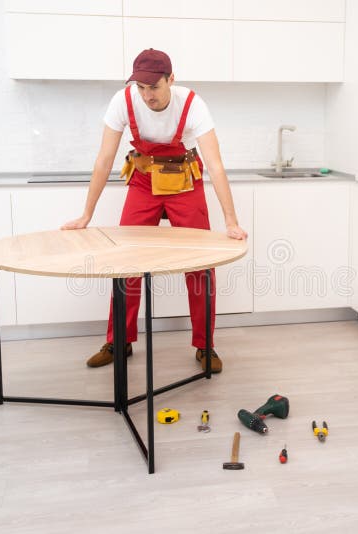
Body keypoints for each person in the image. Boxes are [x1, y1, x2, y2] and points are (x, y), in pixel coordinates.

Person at [61, 48, 247, 374]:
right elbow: (104, 159)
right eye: (141, 87)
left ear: (171, 79)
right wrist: (86, 214)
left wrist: (231, 222)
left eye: (155, 87)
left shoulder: (193, 105)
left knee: (201, 265)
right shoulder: (123, 101)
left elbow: (216, 165)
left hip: (184, 182)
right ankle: (119, 340)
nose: (147, 95)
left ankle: (205, 345)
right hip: (143, 182)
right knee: (125, 260)